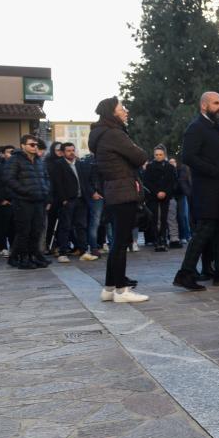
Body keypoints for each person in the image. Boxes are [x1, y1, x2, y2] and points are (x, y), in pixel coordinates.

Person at [173, 92, 219, 291]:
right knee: (203, 233)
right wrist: (213, 171)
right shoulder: (196, 127)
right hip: (207, 190)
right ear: (204, 105)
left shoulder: (215, 127)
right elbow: (188, 156)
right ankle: (185, 274)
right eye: (216, 103)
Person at [88, 97, 150, 303]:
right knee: (121, 242)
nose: (125, 111)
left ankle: (109, 288)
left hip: (113, 191)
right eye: (122, 108)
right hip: (123, 190)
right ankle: (121, 291)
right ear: (112, 113)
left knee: (117, 241)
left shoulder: (101, 134)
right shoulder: (114, 133)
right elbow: (140, 156)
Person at [5, 134, 52, 269]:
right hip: (23, 201)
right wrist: (25, 191)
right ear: (23, 146)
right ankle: (23, 258)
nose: (35, 147)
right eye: (32, 144)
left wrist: (45, 190)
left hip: (39, 200)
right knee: (24, 231)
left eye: (36, 145)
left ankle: (33, 255)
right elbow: (9, 179)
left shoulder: (38, 160)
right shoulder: (15, 159)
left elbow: (46, 177)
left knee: (36, 230)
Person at [142, 146, 177, 252]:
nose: (158, 156)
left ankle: (163, 239)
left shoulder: (170, 167)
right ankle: (157, 240)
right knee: (155, 218)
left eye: (160, 154)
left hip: (166, 196)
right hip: (153, 196)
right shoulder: (149, 167)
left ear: (164, 155)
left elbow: (172, 182)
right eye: (156, 155)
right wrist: (157, 192)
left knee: (164, 218)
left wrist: (165, 192)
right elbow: (147, 182)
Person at [77, 150, 103, 260]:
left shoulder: (90, 160)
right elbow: (85, 180)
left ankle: (96, 246)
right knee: (94, 222)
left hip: (100, 194)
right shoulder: (89, 161)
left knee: (97, 222)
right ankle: (93, 247)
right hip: (97, 195)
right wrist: (93, 192)